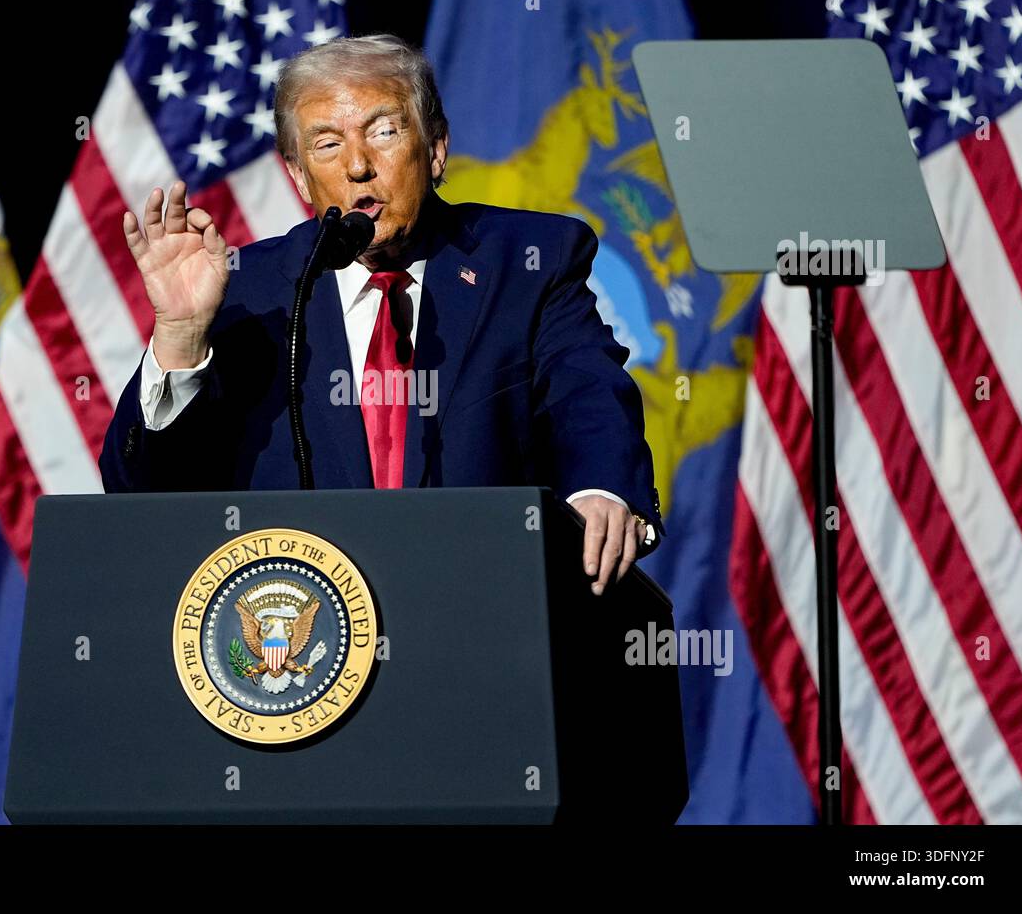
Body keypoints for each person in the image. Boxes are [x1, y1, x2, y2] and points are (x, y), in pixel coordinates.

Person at [101, 34, 662, 595]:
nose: (358, 166)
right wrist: (179, 337)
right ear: (298, 176)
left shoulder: (528, 262)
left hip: (486, 610)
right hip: (301, 641)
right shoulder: (247, 290)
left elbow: (588, 392)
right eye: (326, 145)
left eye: (383, 131)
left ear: (436, 147)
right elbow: (141, 497)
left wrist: (601, 490)